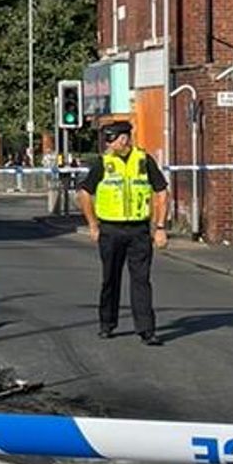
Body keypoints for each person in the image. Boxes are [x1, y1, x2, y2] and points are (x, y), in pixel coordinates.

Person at [76, 120, 169, 345]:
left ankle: (146, 330)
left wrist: (160, 228)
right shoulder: (103, 163)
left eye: (112, 139)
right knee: (110, 278)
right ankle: (107, 324)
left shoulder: (144, 161)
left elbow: (162, 192)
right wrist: (93, 225)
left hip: (138, 230)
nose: (109, 144)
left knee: (141, 280)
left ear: (124, 138)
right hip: (110, 229)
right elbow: (84, 194)